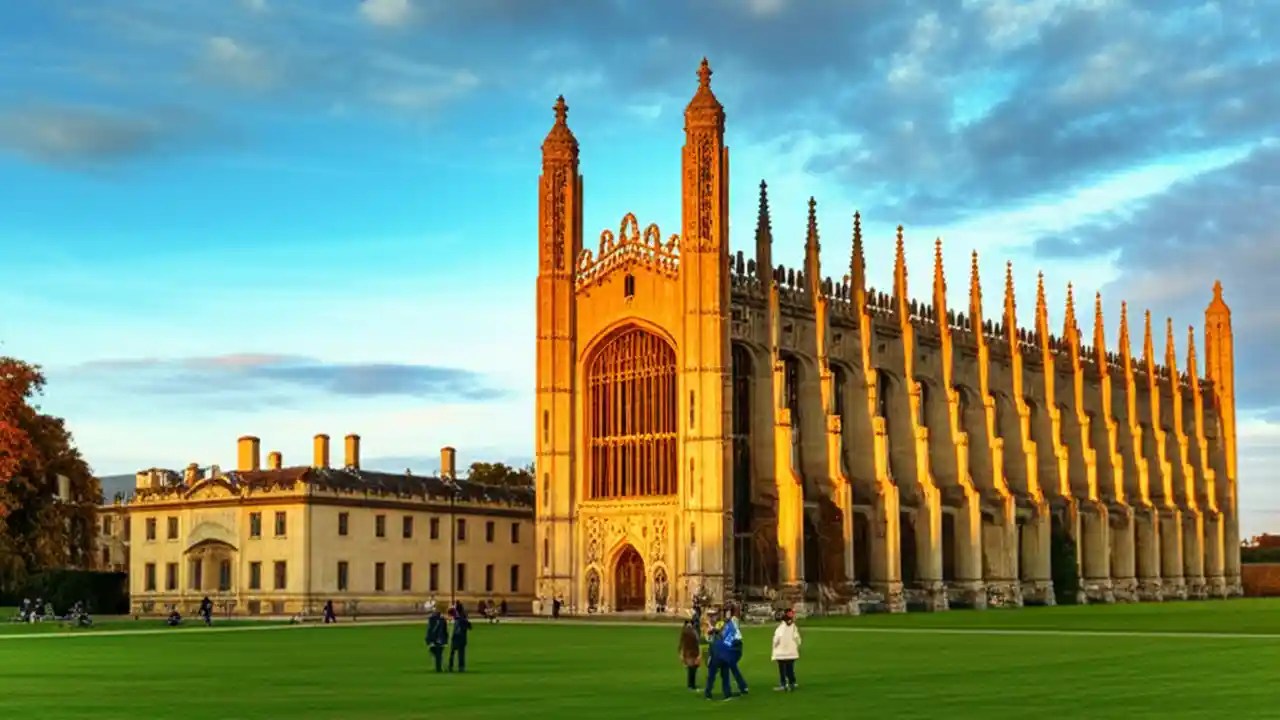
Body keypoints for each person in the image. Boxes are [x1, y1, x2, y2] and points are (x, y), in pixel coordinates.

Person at [719, 604, 749, 696]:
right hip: (734, 646)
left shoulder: (733, 621)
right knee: (731, 666)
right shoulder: (728, 623)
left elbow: (736, 611)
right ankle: (742, 687)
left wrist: (732, 605)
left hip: (735, 645)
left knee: (727, 666)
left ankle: (729, 691)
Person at [702, 610, 731, 701]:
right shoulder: (707, 627)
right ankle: (708, 693)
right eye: (711, 616)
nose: (713, 617)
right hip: (715, 654)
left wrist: (717, 631)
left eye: (714, 615)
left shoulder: (721, 624)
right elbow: (707, 638)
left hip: (722, 654)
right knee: (712, 676)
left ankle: (727, 693)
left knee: (725, 675)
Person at [771, 608, 801, 691]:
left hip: (782, 652)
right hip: (791, 652)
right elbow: (797, 638)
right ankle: (792, 683)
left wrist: (774, 646)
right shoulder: (793, 626)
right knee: (790, 667)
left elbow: (777, 639)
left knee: (782, 669)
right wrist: (797, 645)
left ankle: (783, 684)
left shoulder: (781, 627)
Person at [678, 619, 702, 691]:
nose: (689, 625)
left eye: (690, 623)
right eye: (688, 623)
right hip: (689, 652)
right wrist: (681, 653)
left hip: (694, 652)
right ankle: (690, 685)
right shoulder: (685, 632)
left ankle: (692, 685)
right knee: (691, 668)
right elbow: (681, 643)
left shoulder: (694, 631)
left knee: (694, 668)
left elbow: (698, 643)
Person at [448, 603, 472, 672]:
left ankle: (451, 666)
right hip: (462, 638)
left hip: (457, 637)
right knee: (461, 653)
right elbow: (469, 626)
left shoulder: (460, 617)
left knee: (453, 652)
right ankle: (461, 667)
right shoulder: (462, 617)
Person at [425, 606, 448, 672]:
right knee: (437, 654)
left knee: (438, 654)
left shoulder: (442, 620)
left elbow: (444, 631)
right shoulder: (432, 619)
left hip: (439, 640)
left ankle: (439, 668)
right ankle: (440, 666)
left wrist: (445, 640)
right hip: (434, 639)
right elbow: (430, 630)